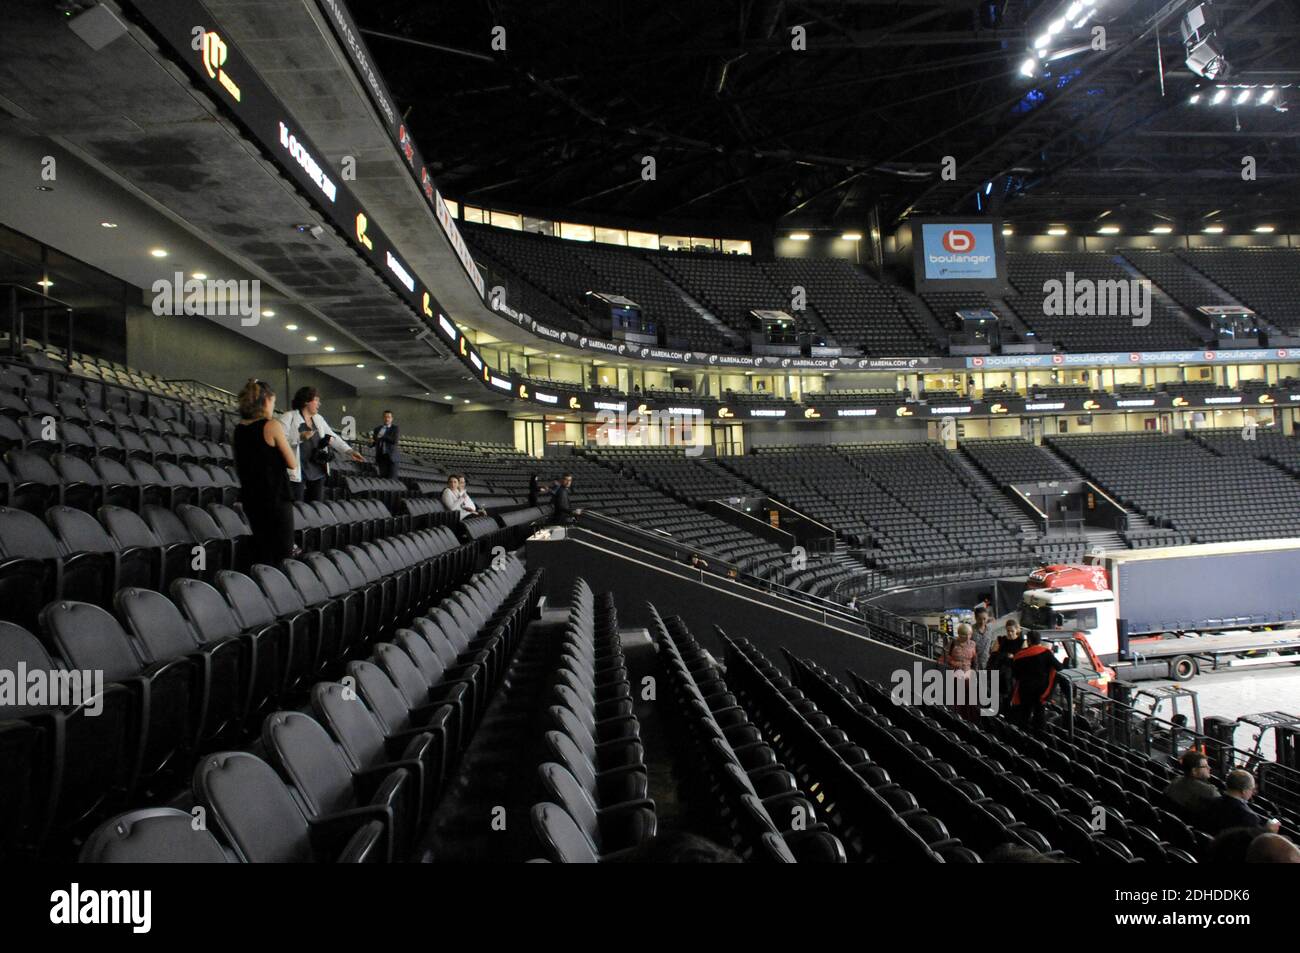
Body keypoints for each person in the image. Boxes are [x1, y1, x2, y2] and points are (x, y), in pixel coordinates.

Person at [231, 379, 297, 564]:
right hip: (275, 497)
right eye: (273, 402)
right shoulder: (271, 425)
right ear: (266, 400)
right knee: (283, 552)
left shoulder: (239, 429)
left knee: (263, 549)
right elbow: (292, 463)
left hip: (251, 498)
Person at [279, 386, 363, 502]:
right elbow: (279, 441)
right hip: (297, 470)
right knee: (297, 507)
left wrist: (349, 451)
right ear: (306, 401)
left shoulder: (318, 419)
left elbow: (333, 437)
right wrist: (300, 437)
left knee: (315, 505)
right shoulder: (288, 417)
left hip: (317, 468)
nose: (319, 404)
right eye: (316, 400)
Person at [1009, 629, 1063, 731]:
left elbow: (1015, 675)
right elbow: (1059, 667)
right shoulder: (1046, 652)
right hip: (1041, 690)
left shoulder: (1019, 656)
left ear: (1028, 641)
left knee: (1024, 715)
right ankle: (1039, 738)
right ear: (1039, 640)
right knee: (1039, 715)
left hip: (1025, 689)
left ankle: (1024, 738)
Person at [1203, 770, 1281, 835]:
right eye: (1252, 789)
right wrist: (1269, 830)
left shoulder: (1210, 802)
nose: (1253, 792)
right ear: (1244, 791)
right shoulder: (1249, 817)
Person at [1163, 750, 1219, 824]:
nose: (1209, 768)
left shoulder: (1175, 781)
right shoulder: (1209, 791)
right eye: (1205, 766)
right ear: (1194, 771)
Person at [942, 624, 978, 721]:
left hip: (968, 675)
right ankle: (957, 719)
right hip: (955, 674)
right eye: (964, 635)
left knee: (970, 700)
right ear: (959, 634)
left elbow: (975, 660)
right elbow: (944, 657)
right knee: (957, 699)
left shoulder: (973, 644)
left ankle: (970, 720)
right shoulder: (952, 643)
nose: (967, 637)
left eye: (969, 634)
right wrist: (953, 663)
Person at [988, 619, 1023, 712]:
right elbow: (993, 654)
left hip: (1013, 674)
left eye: (1012, 631)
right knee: (996, 695)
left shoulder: (1021, 642)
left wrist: (1013, 656)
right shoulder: (1000, 639)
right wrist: (1005, 655)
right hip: (999, 671)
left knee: (1009, 696)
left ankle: (1007, 713)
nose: (1010, 633)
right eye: (1008, 631)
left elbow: (1024, 658)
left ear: (1017, 630)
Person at [371, 410, 400, 479]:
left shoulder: (395, 428)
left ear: (392, 419)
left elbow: (394, 441)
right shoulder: (377, 429)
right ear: (383, 418)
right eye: (385, 417)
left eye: (389, 417)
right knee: (383, 479)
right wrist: (370, 442)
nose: (387, 419)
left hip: (392, 458)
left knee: (392, 480)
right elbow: (373, 443)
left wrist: (382, 436)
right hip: (381, 458)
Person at [971, 605, 993, 670]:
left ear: (987, 617)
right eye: (979, 619)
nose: (982, 622)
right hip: (974, 663)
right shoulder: (971, 630)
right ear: (975, 618)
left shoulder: (990, 629)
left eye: (984, 619)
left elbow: (991, 646)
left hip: (987, 662)